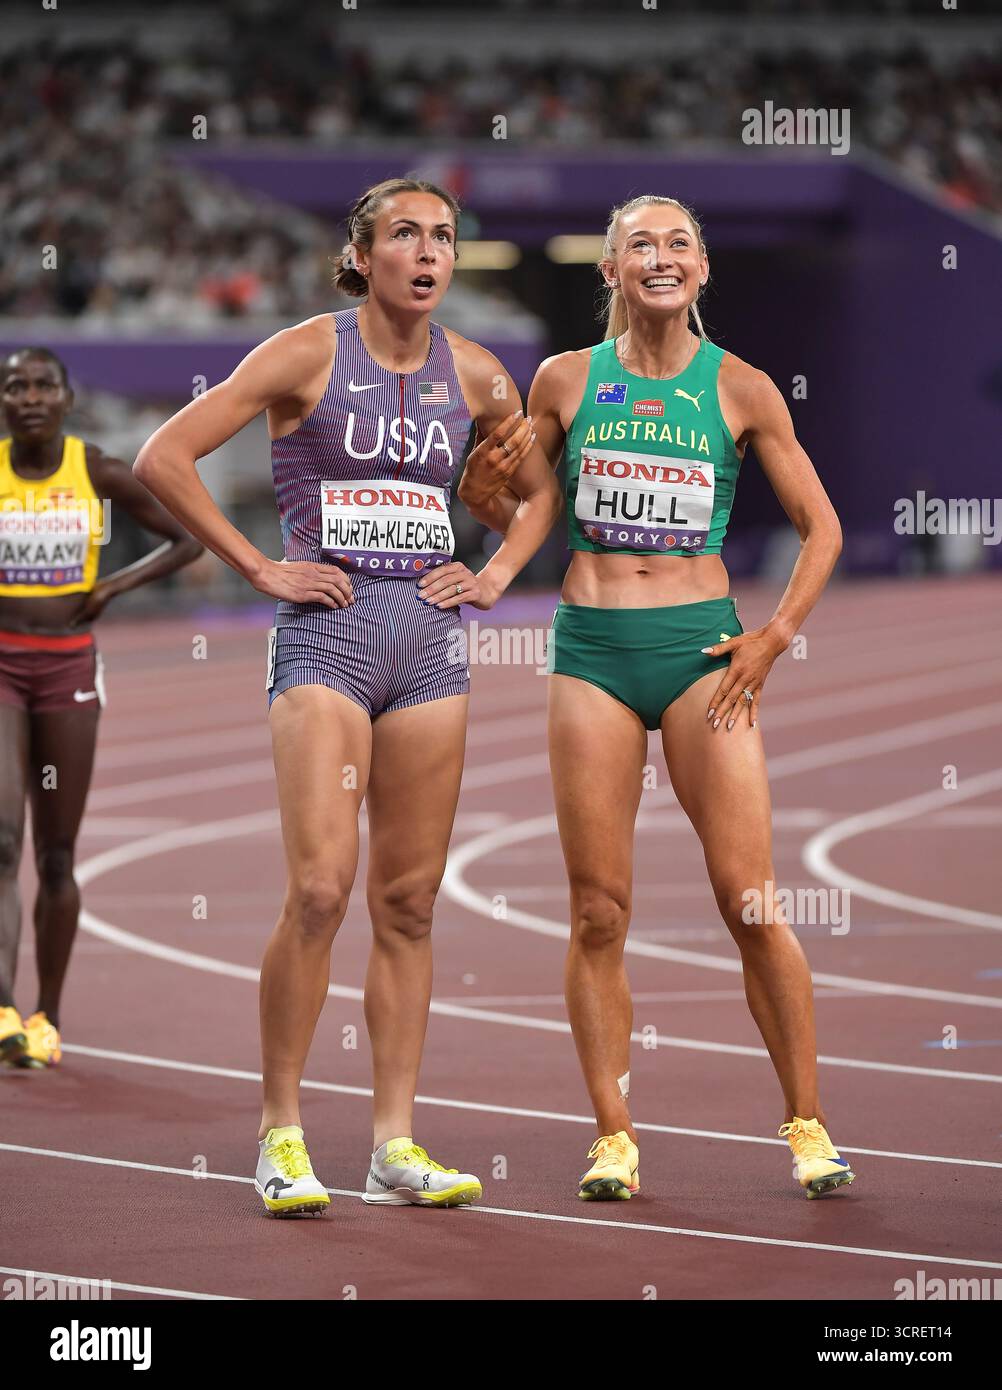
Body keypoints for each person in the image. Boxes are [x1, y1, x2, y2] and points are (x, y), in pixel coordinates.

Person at [134, 178, 561, 1216]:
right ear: (363, 255)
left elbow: (542, 496)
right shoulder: (306, 352)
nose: (428, 252)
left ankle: (393, 1143)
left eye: (445, 237)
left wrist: (498, 575)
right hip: (325, 638)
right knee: (322, 889)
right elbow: (162, 457)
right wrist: (257, 566)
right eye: (406, 234)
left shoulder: (479, 375)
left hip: (430, 649)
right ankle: (281, 1131)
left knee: (409, 903)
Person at [458, 194, 854, 1202]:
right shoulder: (563, 380)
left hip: (699, 652)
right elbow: (521, 505)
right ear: (612, 269)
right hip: (592, 647)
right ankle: (614, 1134)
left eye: (680, 243)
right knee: (598, 910)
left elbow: (824, 530)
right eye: (643, 244)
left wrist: (772, 637)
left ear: (703, 270)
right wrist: (481, 486)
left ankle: (808, 1122)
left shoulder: (744, 389)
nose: (663, 257)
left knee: (751, 898)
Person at [0, 347, 203, 1068]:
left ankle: (45, 1016)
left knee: (57, 854)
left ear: (65, 397)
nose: (28, 397)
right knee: (2, 837)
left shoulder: (95, 470)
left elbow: (189, 537)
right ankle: (1, 1008)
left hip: (67, 670)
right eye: (14, 386)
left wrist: (114, 587)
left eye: (41, 385)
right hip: (2, 662)